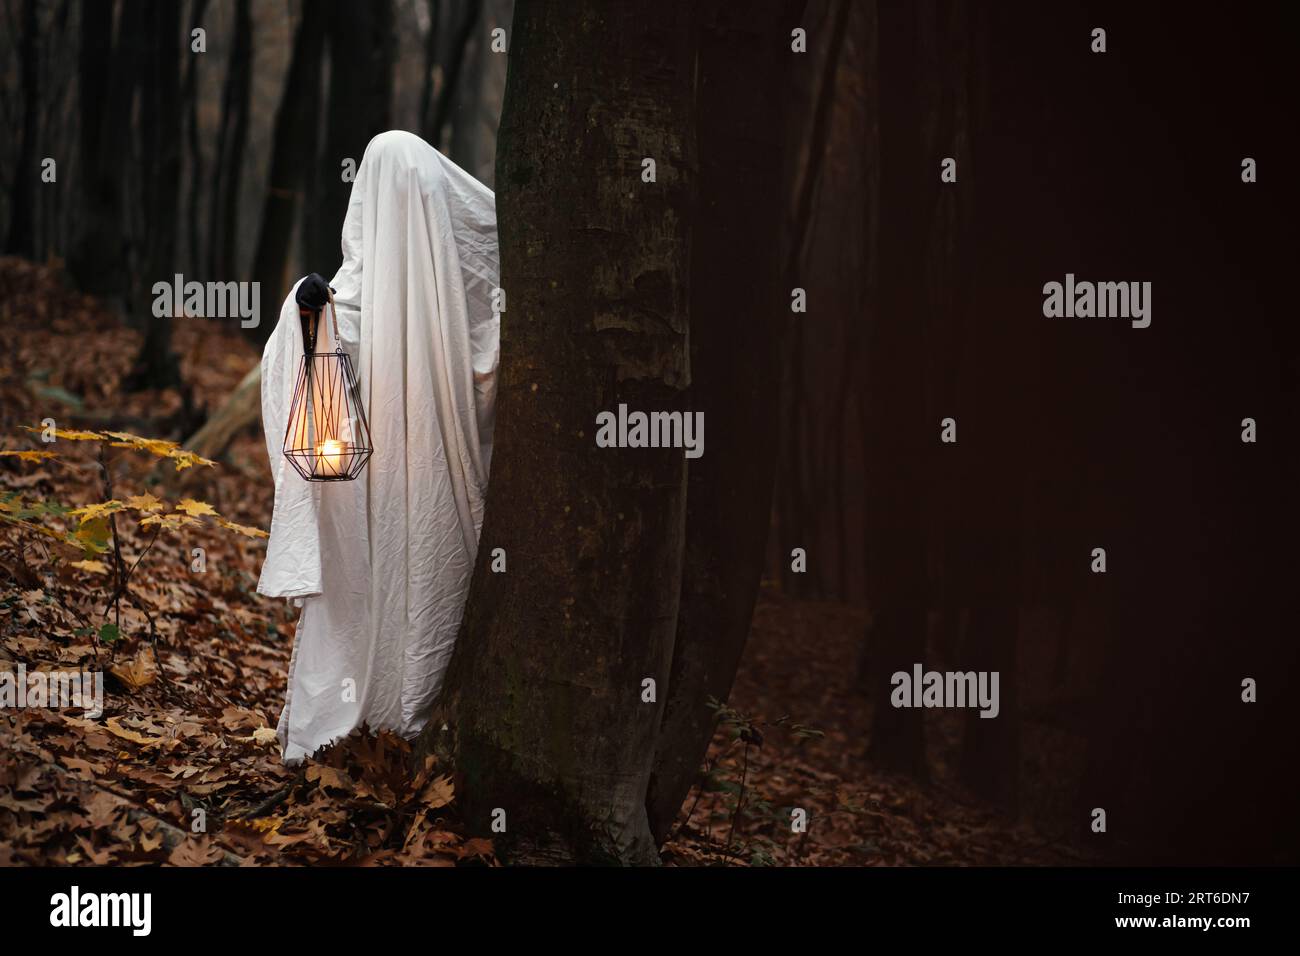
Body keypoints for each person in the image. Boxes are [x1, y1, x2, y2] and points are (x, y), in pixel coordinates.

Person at [258, 130, 499, 764]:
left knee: (429, 596)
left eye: (412, 194)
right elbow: (326, 367)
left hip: (440, 490)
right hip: (370, 496)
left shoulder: (469, 299)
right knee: (370, 598)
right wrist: (310, 315)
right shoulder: (351, 294)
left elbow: (490, 369)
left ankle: (410, 722)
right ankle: (361, 729)